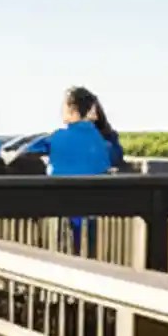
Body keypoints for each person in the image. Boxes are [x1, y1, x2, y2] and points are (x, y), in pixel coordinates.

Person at [25, 86, 113, 255]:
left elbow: (28, 150)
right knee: (89, 252)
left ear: (73, 110)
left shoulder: (57, 137)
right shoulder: (100, 140)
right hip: (92, 208)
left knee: (62, 251)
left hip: (61, 205)